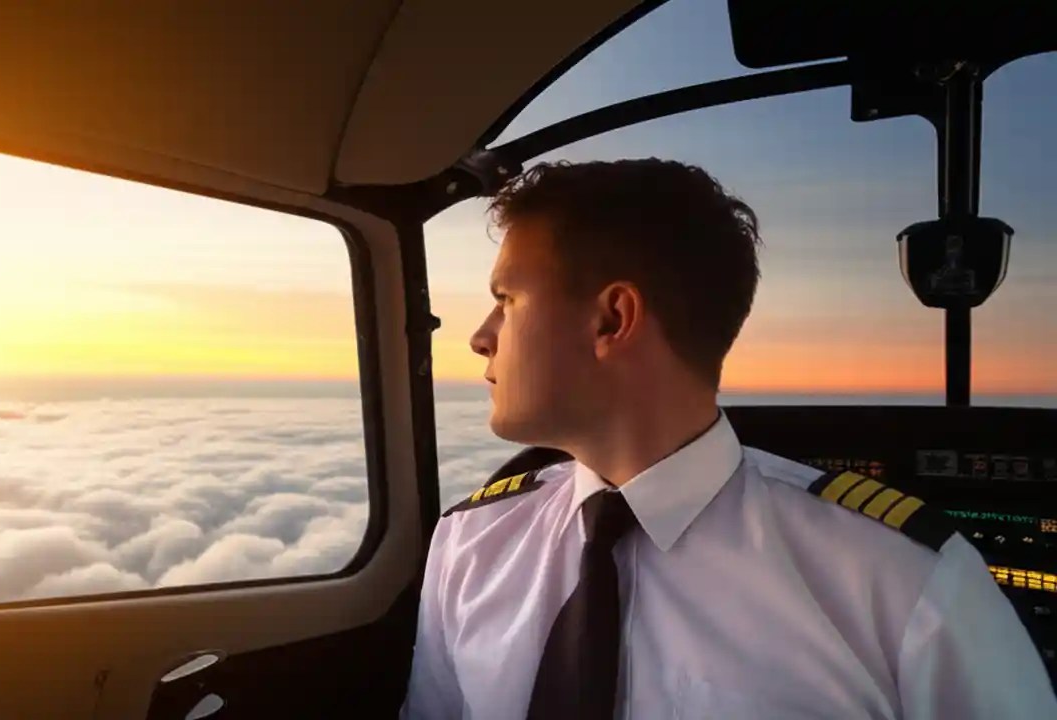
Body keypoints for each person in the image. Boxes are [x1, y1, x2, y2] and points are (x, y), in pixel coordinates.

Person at [398, 158, 1057, 719]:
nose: (481, 336)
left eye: (506, 300)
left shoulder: (903, 584)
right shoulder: (470, 547)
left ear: (612, 320)